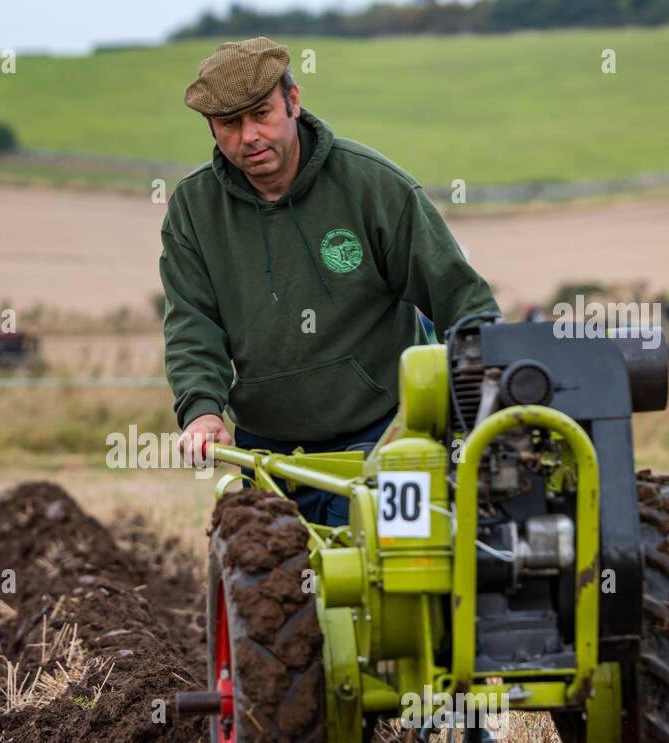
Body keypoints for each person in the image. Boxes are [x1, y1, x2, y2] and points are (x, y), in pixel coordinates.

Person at [160, 37, 500, 526]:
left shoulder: (374, 185)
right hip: (266, 455)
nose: (249, 136)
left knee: (382, 579)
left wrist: (482, 395)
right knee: (271, 591)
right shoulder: (193, 210)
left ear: (293, 102)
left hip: (382, 441)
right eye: (229, 124)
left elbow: (459, 297)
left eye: (261, 114)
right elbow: (192, 323)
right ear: (212, 128)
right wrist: (202, 410)